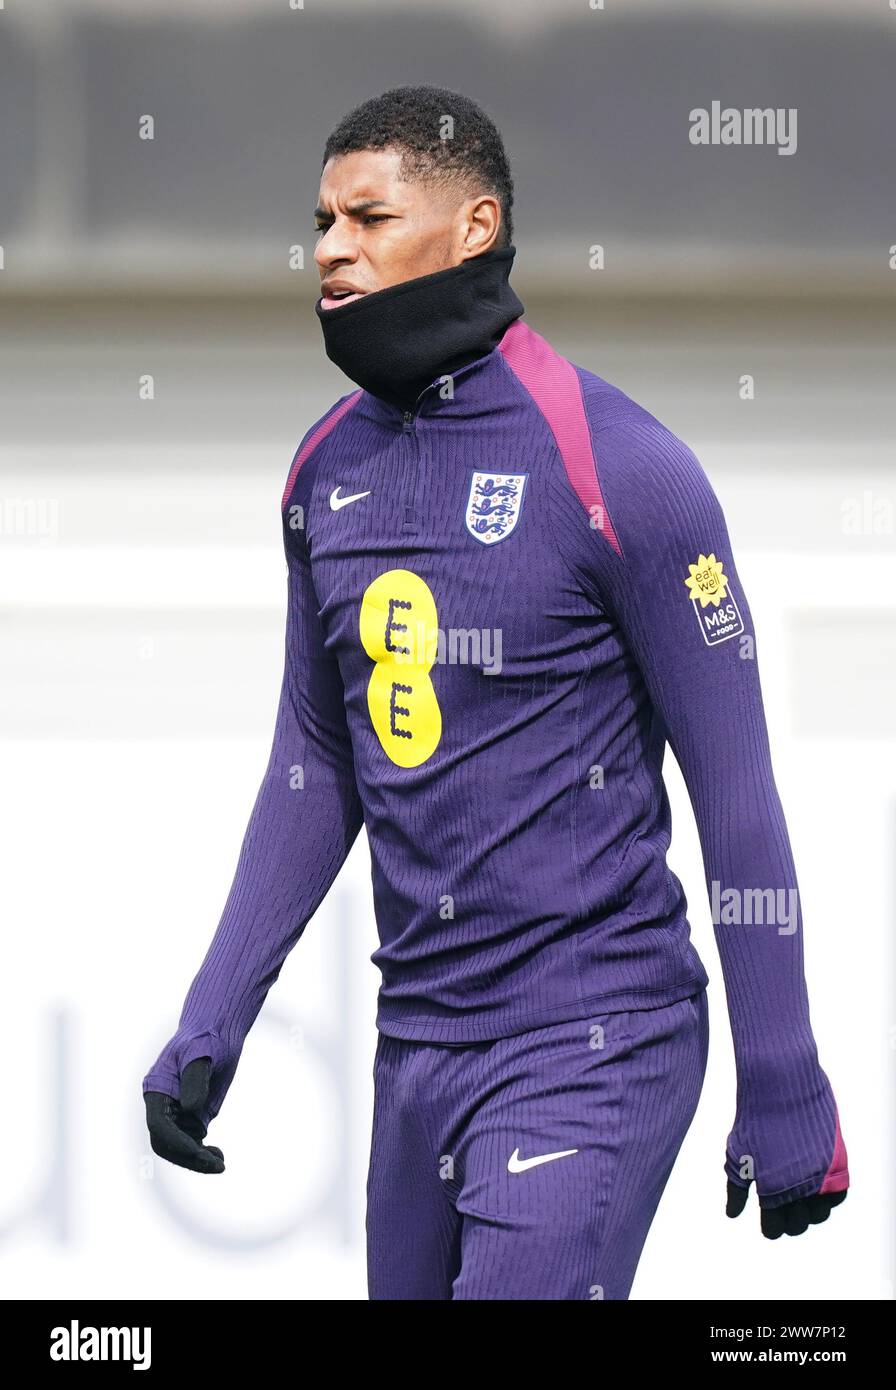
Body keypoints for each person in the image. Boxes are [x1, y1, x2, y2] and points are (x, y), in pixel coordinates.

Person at [143, 85, 848, 1300]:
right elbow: (313, 772)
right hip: (415, 1051)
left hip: (596, 1040)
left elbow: (735, 790)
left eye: (367, 215)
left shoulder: (617, 464)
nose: (326, 247)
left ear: (474, 228)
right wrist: (213, 1015)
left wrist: (782, 1075)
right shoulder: (323, 470)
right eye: (319, 218)